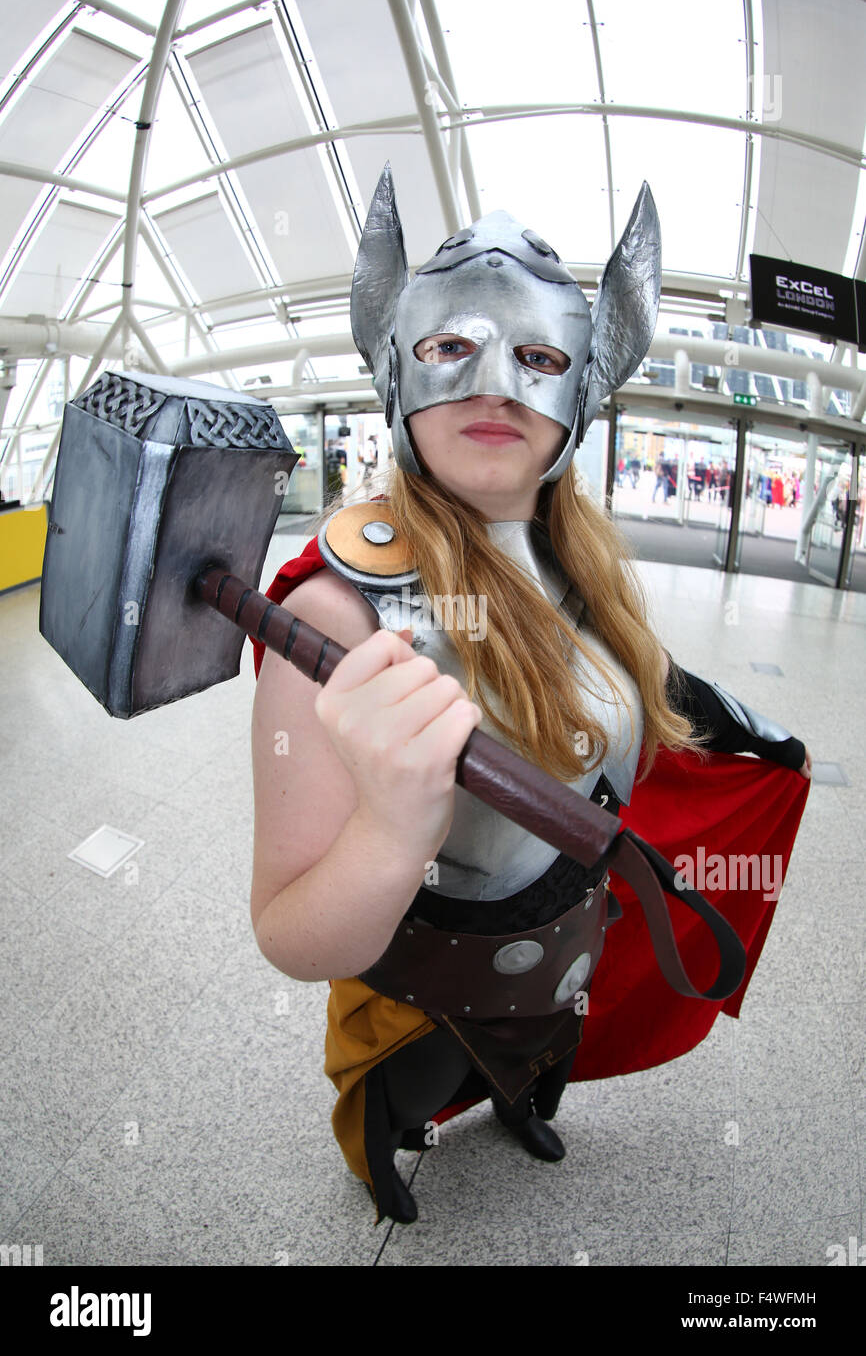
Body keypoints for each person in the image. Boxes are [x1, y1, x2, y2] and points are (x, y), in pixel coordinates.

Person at [249, 168, 811, 1225]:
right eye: (447, 349)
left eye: (539, 356)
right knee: (404, 1101)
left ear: (582, 391)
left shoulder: (582, 573)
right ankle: (389, 1162)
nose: (495, 385)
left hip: (574, 946)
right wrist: (386, 826)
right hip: (423, 978)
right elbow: (288, 932)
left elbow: (622, 695)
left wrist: (737, 727)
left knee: (541, 1060)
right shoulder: (337, 612)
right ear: (394, 372)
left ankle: (524, 1103)